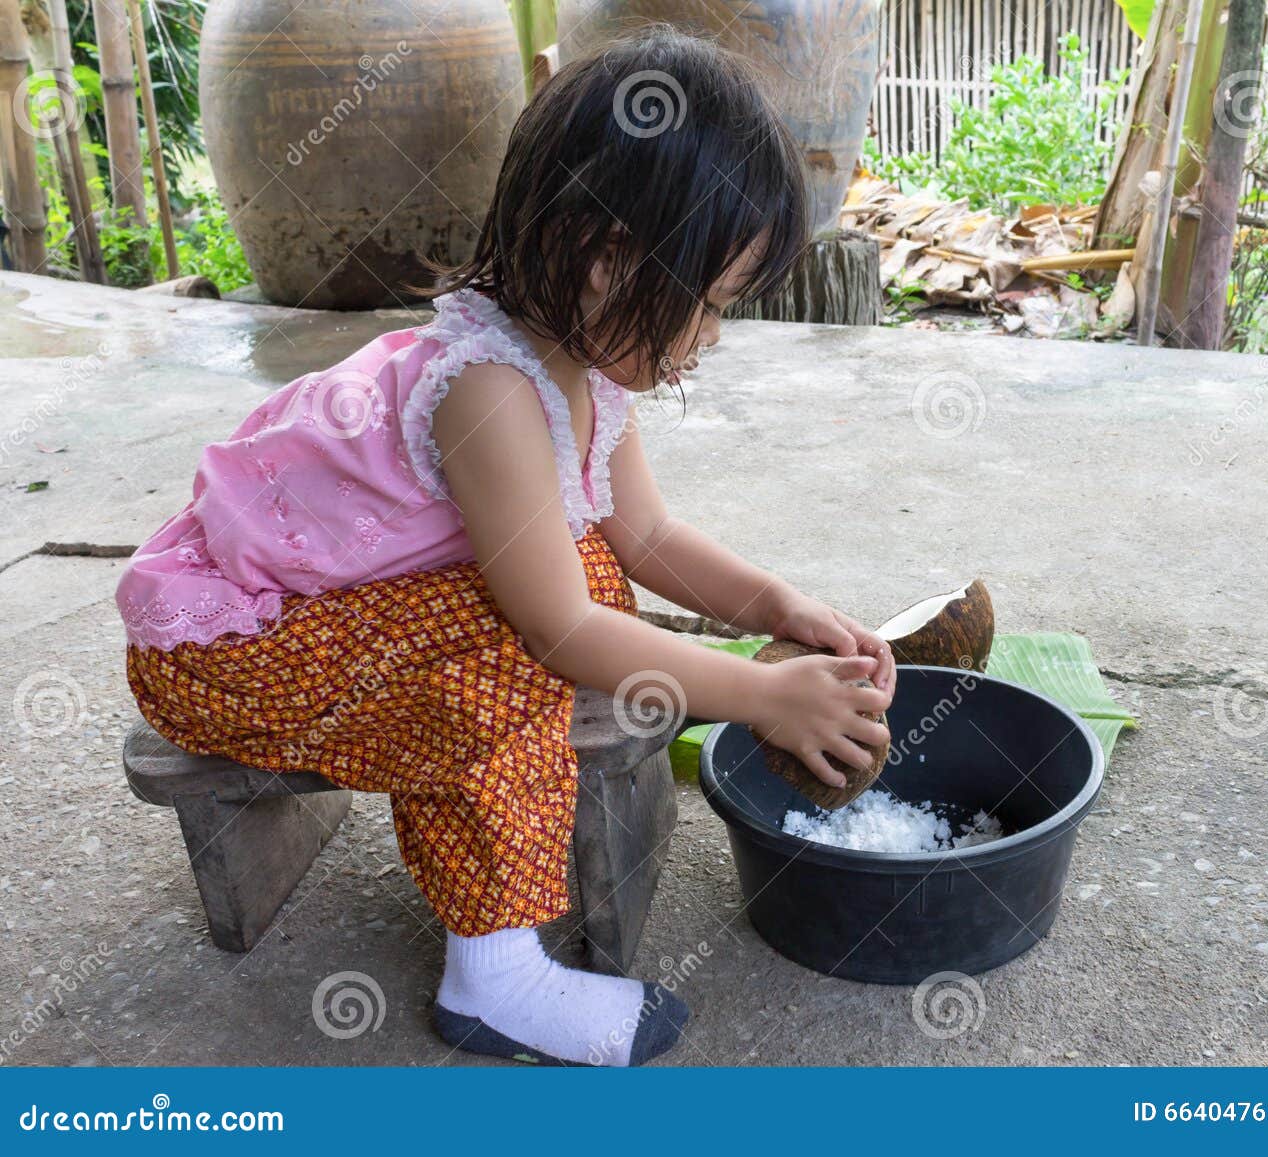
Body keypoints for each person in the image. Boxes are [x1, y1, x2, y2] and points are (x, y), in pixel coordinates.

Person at [115, 26, 896, 1068]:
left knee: (590, 578)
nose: (710, 337)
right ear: (604, 259)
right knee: (510, 661)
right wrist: (760, 695)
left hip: (309, 613)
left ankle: (505, 895)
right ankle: (495, 979)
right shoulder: (487, 390)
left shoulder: (585, 360)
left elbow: (647, 534)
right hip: (229, 655)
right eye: (707, 305)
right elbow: (557, 628)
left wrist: (775, 606)